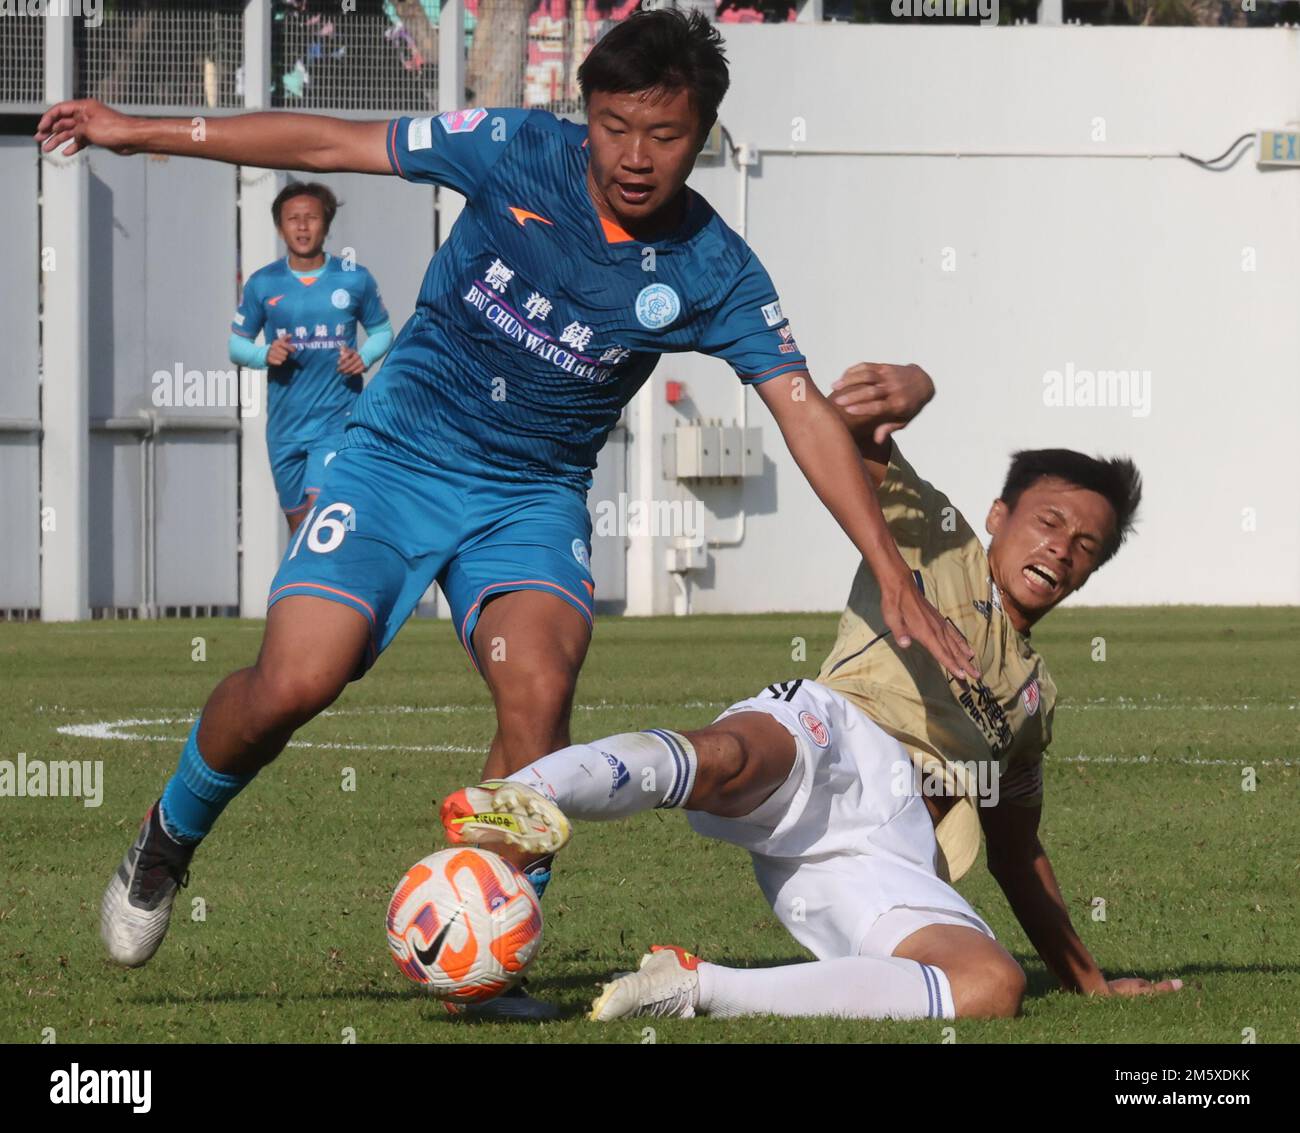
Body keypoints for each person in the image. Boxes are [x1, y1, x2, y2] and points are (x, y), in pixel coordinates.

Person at [38, 11, 975, 1017]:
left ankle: (488, 962)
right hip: (397, 457)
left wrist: (885, 564)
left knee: (537, 691)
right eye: (615, 126)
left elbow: (799, 407)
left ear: (702, 132)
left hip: (530, 498)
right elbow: (328, 143)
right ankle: (168, 835)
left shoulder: (713, 268)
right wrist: (139, 128)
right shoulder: (515, 149)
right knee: (294, 679)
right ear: (587, 114)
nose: (634, 155)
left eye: (664, 135)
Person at [443, 361, 1182, 1020]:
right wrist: (917, 386)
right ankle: (532, 790)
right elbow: (845, 433)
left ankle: (696, 986)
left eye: (1086, 546)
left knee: (990, 985)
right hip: (834, 738)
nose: (1062, 546)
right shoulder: (944, 534)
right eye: (1050, 522)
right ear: (999, 516)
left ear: (1089, 572)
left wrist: (1091, 983)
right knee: (731, 753)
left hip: (886, 853)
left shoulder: (1035, 695)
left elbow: (1016, 854)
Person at [230, 181, 393, 533]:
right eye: (293, 219)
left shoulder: (353, 279)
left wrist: (363, 357)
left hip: (337, 419)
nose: (302, 227)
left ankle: (337, 584)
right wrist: (265, 354)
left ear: (326, 224)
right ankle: (303, 588)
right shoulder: (263, 283)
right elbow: (236, 345)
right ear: (280, 226)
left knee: (323, 514)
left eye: (311, 218)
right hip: (286, 426)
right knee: (299, 526)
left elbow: (382, 332)